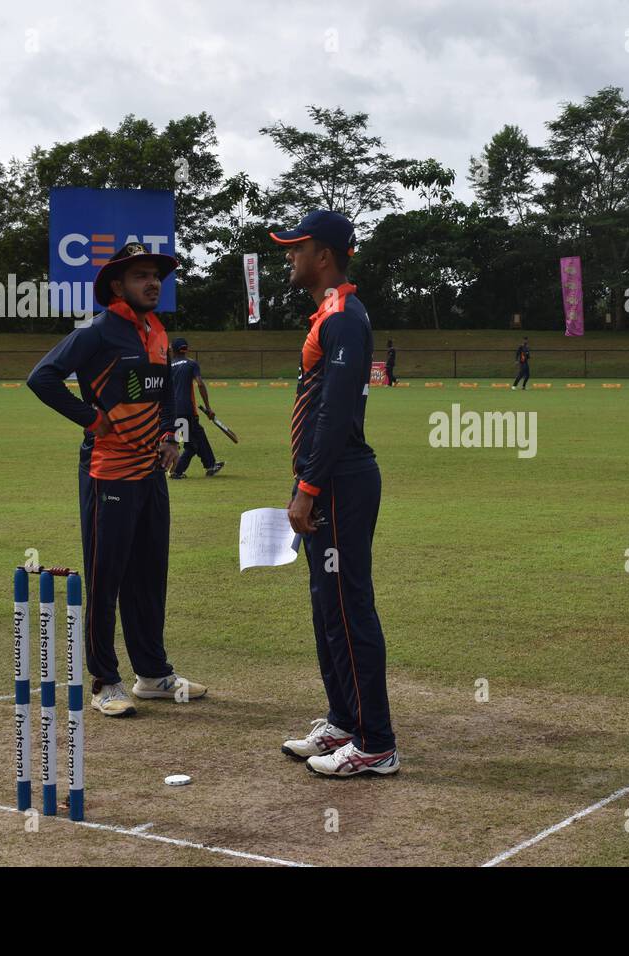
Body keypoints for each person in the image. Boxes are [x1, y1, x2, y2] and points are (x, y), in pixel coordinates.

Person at [27, 242, 207, 718]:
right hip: (108, 471)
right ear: (117, 286)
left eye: (156, 276)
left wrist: (170, 435)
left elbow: (167, 390)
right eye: (141, 276)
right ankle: (105, 680)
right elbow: (42, 377)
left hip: (151, 471)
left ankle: (152, 674)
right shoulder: (99, 331)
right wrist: (90, 418)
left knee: (149, 574)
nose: (152, 283)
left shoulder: (156, 331)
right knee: (107, 578)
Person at [270, 209, 398, 777]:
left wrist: (309, 486)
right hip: (327, 480)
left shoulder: (344, 316)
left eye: (297, 248)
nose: (290, 257)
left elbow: (336, 409)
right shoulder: (328, 313)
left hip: (341, 479)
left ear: (324, 254)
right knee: (328, 607)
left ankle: (376, 743)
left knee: (349, 608)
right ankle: (344, 721)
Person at [168, 338, 224, 479]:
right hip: (188, 410)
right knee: (192, 444)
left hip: (173, 410)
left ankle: (210, 464)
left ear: (173, 350)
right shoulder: (191, 364)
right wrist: (208, 408)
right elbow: (200, 384)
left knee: (196, 435)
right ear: (186, 349)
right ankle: (177, 471)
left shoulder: (167, 367)